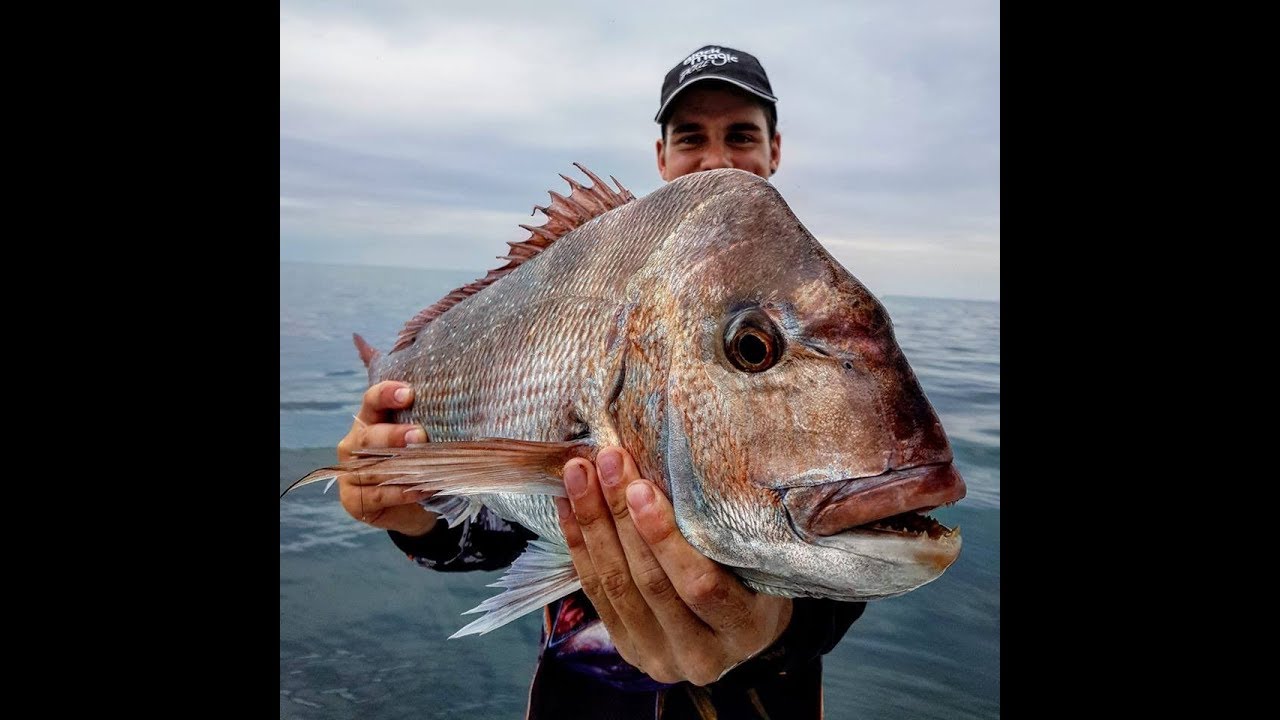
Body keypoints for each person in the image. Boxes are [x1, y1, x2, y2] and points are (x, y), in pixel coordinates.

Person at [334, 45, 866, 719]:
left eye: (740, 135)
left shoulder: (819, 304)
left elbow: (865, 530)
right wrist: (411, 514)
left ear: (774, 150)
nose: (715, 160)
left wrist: (773, 627)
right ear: (661, 156)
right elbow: (505, 527)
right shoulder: (609, 269)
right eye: (690, 138)